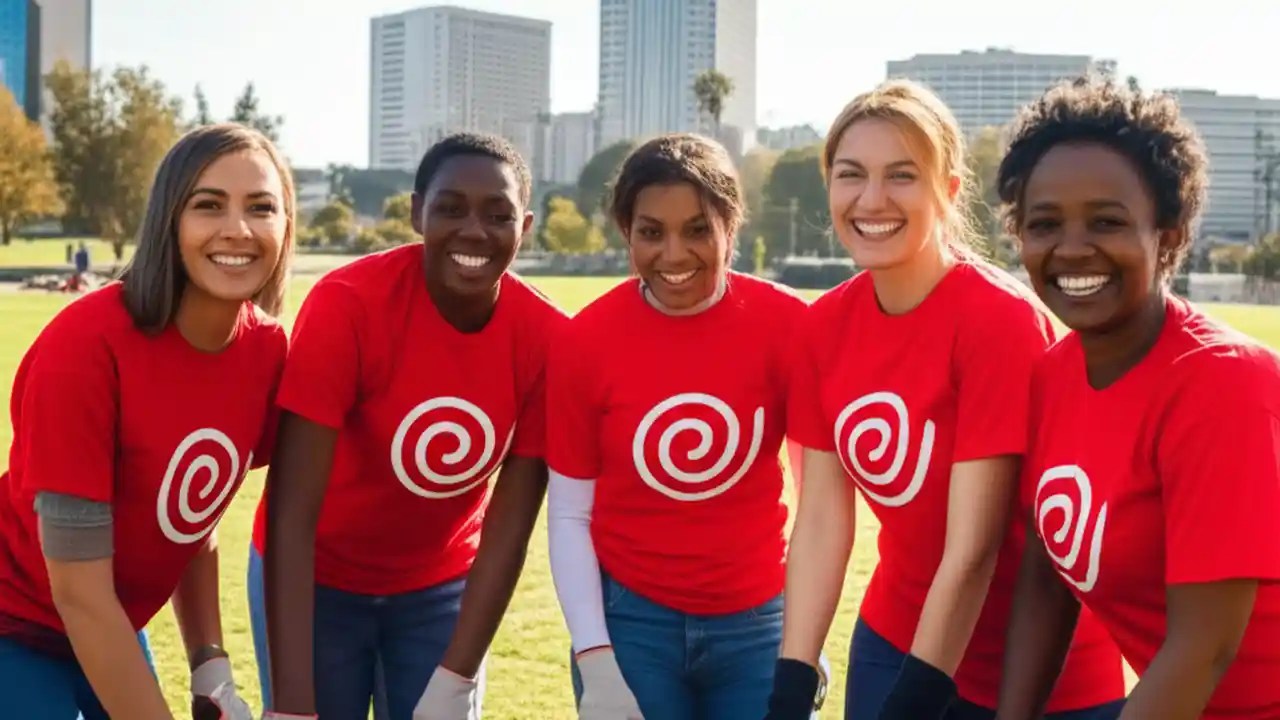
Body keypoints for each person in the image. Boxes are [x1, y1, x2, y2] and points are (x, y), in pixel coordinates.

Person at [764, 79, 1127, 720]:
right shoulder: (821, 329)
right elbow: (820, 518)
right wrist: (791, 681)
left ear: (950, 188)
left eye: (901, 176)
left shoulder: (998, 321)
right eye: (851, 175)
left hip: (1042, 673)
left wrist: (917, 700)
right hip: (894, 640)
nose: (872, 199)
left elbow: (974, 548)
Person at [994, 76, 1280, 720]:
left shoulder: (1223, 384)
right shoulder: (1054, 373)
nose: (1071, 248)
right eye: (1044, 224)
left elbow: (1205, 646)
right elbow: (1047, 570)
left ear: (1169, 236)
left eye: (1107, 221)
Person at [256, 131, 567, 720]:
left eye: (497, 215)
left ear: (523, 228)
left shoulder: (548, 338)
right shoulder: (349, 302)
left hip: (438, 589)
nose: (474, 230)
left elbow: (509, 529)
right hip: (317, 580)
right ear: (417, 213)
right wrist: (294, 702)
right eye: (451, 208)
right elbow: (291, 510)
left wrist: (457, 677)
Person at [0, 123, 294, 719]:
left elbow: (190, 507)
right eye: (208, 205)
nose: (238, 229)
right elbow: (78, 594)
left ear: (286, 228)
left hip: (110, 616)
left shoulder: (267, 353)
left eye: (261, 207)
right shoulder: (85, 346)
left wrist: (208, 661)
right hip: (18, 619)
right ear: (168, 220)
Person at [545, 132, 813, 720]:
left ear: (730, 227)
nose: (673, 254)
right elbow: (568, 512)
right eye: (650, 231)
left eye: (697, 229)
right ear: (626, 231)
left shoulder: (790, 326)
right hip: (630, 623)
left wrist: (804, 646)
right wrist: (595, 660)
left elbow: (819, 499)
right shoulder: (583, 343)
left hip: (760, 625)